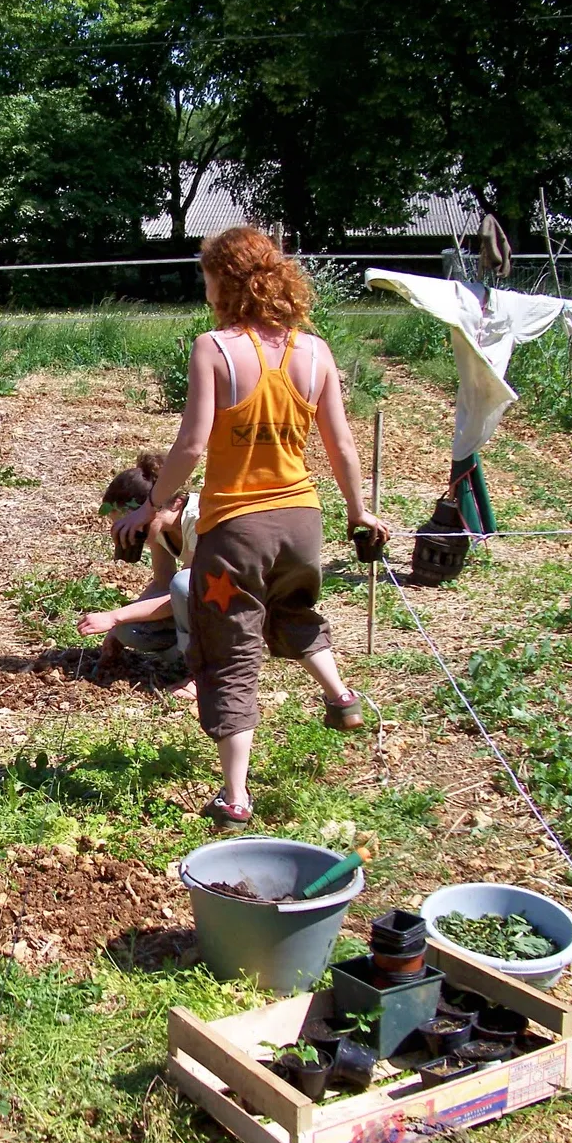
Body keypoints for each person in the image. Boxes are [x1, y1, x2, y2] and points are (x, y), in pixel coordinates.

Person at [115, 227, 388, 827]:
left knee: (230, 651)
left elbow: (190, 445)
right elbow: (340, 444)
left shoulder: (214, 348)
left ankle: (236, 796)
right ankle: (341, 695)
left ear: (227, 279)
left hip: (238, 530)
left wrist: (152, 505)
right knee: (292, 613)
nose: (206, 288)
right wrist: (359, 511)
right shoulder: (314, 352)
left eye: (208, 276)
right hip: (302, 523)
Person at [76, 452, 199, 700]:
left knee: (185, 584)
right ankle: (186, 655)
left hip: (242, 603)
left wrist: (115, 616)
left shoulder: (199, 520)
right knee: (128, 630)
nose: (134, 534)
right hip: (202, 601)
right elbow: (163, 583)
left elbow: (196, 590)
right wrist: (117, 626)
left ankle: (208, 674)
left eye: (135, 526)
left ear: (172, 503)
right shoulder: (160, 528)